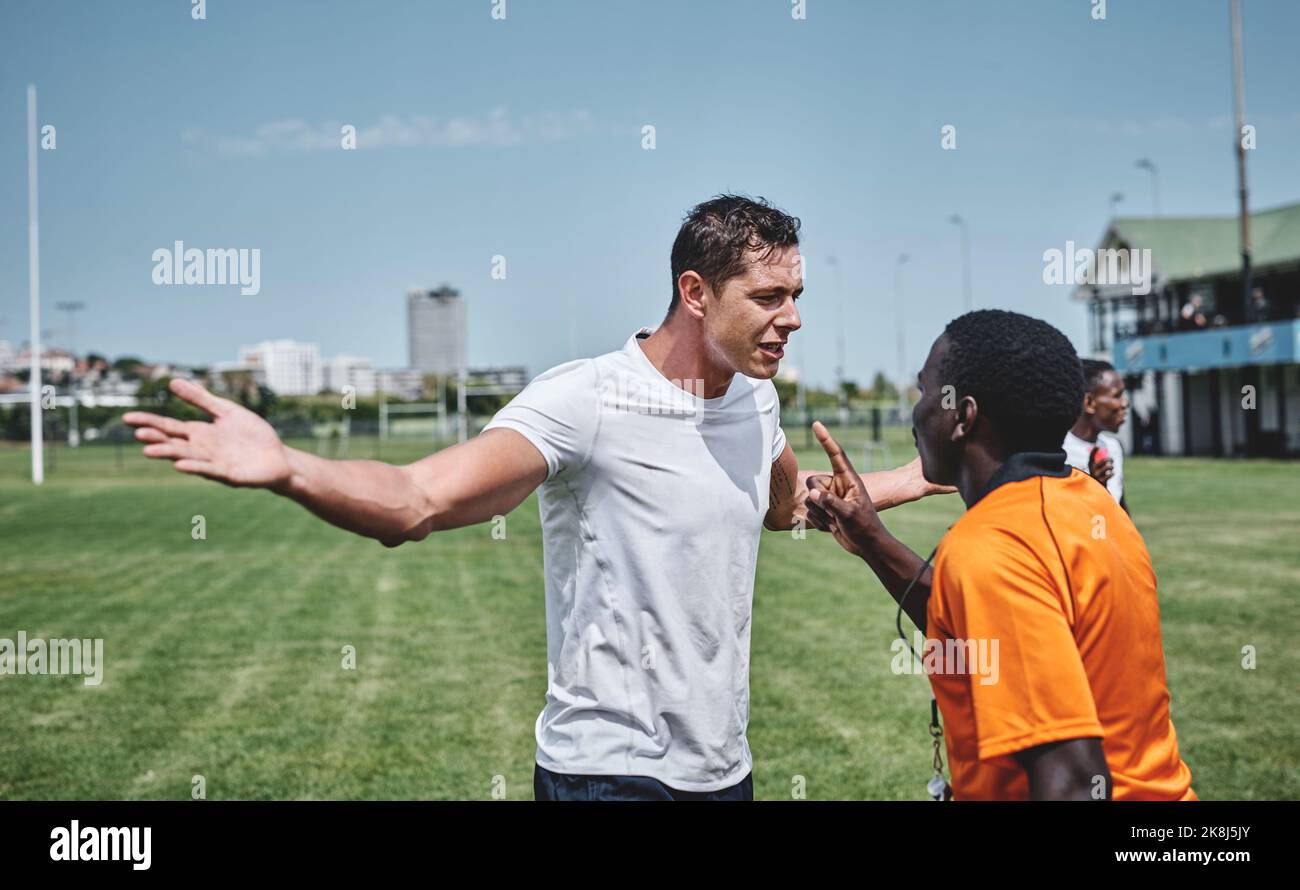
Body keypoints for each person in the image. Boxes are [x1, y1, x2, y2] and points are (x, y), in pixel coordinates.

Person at [123, 194, 947, 801]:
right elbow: (418, 499)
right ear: (696, 294)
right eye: (770, 298)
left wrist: (911, 480)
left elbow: (777, 507)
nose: (792, 318)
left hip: (723, 771)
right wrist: (289, 467)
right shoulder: (584, 399)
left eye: (797, 295)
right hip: (609, 773)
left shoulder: (752, 398)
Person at [803, 309, 1196, 801]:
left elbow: (1071, 783)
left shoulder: (992, 548)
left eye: (926, 392)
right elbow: (987, 631)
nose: (917, 411)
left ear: (963, 417)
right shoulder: (1092, 502)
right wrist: (872, 540)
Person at [1063, 358, 1128, 510]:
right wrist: (1094, 485)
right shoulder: (1060, 451)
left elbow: (1120, 506)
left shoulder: (1113, 447)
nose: (1125, 403)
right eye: (1117, 396)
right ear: (1089, 402)